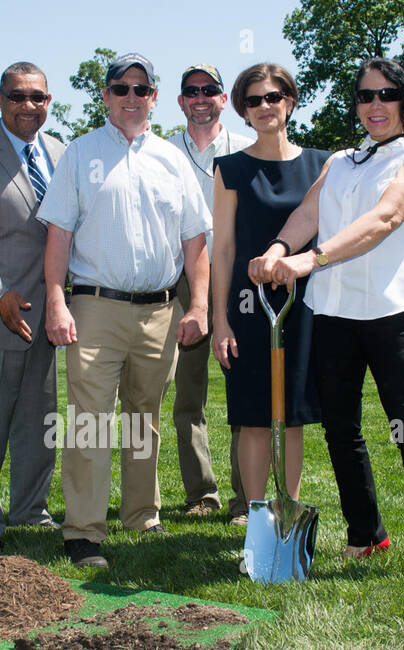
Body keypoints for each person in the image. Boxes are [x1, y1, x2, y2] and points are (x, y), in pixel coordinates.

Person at [250, 56, 404, 580]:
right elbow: (308, 215)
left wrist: (308, 260)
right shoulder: (342, 160)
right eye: (365, 96)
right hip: (332, 314)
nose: (375, 105)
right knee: (341, 429)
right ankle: (366, 534)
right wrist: (277, 249)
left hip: (389, 314)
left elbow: (383, 219)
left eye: (386, 94)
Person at [37, 53, 212, 569]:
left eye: (141, 89)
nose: (131, 98)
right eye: (121, 89)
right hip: (95, 307)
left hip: (160, 308)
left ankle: (141, 515)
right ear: (107, 96)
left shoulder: (173, 159)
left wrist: (198, 303)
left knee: (145, 418)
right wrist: (55, 299)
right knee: (90, 421)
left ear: (155, 96)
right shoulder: (79, 153)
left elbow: (194, 240)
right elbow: (58, 234)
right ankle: (84, 532)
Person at [212, 64, 330, 558]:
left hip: (304, 308)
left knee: (294, 416)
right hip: (247, 308)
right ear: (243, 109)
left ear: (291, 101)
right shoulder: (231, 169)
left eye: (275, 96)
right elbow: (222, 248)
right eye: (255, 100)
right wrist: (219, 318)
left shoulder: (323, 164)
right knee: (255, 417)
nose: (266, 106)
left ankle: (289, 513)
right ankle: (256, 517)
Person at [0, 62, 66, 555]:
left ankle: (31, 509)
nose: (29, 106)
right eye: (18, 97)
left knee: (39, 420)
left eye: (38, 97)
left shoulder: (62, 154)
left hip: (48, 315)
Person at [170, 63, 253, 524]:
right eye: (191, 91)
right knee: (189, 395)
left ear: (224, 99)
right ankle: (202, 492)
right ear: (180, 101)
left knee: (243, 388)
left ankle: (247, 497)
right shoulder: (163, 154)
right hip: (183, 280)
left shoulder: (245, 151)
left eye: (210, 90)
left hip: (237, 278)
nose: (200, 97)